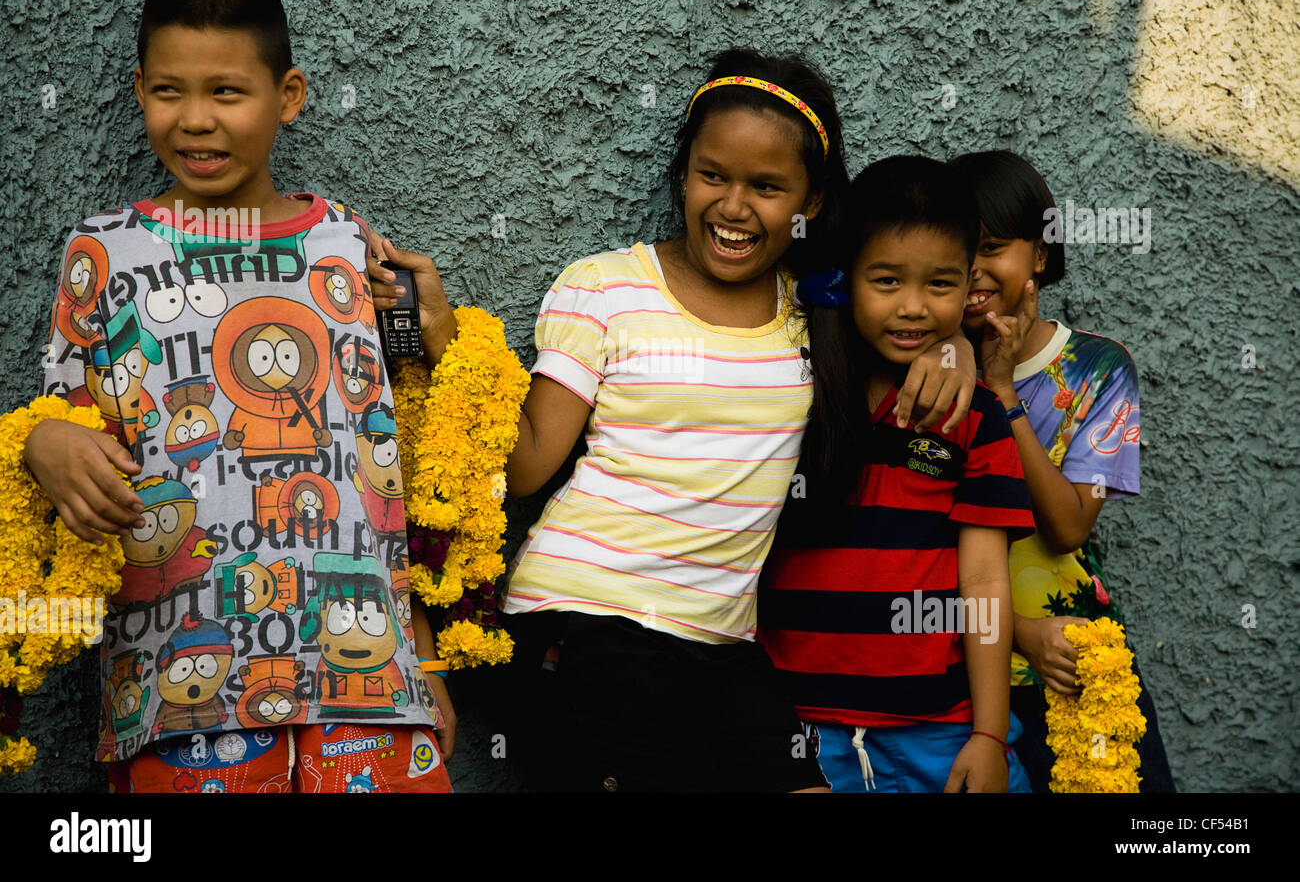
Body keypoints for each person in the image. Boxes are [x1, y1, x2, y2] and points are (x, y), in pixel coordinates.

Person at [370, 50, 979, 791]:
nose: (732, 205)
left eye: (766, 186)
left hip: (722, 642)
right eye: (712, 175)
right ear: (684, 173)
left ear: (810, 201)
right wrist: (437, 333)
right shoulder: (607, 289)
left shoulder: (814, 315)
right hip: (588, 619)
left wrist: (955, 349)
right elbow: (528, 463)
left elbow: (909, 307)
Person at [21, 0, 455, 793]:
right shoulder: (105, 256)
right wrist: (43, 442)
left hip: (367, 688)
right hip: (177, 690)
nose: (194, 122)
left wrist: (428, 658)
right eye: (168, 93)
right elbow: (64, 439)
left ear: (288, 95)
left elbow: (392, 464)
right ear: (140, 91)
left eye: (226, 92)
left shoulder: (346, 246)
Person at [758, 155, 1036, 792]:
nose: (913, 309)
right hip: (796, 734)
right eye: (886, 281)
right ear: (847, 279)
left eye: (940, 285)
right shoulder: (793, 391)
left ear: (969, 286)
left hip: (939, 731)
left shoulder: (976, 420)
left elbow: (986, 580)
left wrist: (990, 734)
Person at [950, 149, 1175, 792]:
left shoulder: (1097, 368)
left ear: (1040, 254)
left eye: (992, 247)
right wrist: (1020, 633)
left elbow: (1068, 526)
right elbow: (920, 545)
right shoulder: (926, 366)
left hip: (1077, 666)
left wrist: (1003, 394)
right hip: (969, 671)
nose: (973, 271)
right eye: (960, 249)